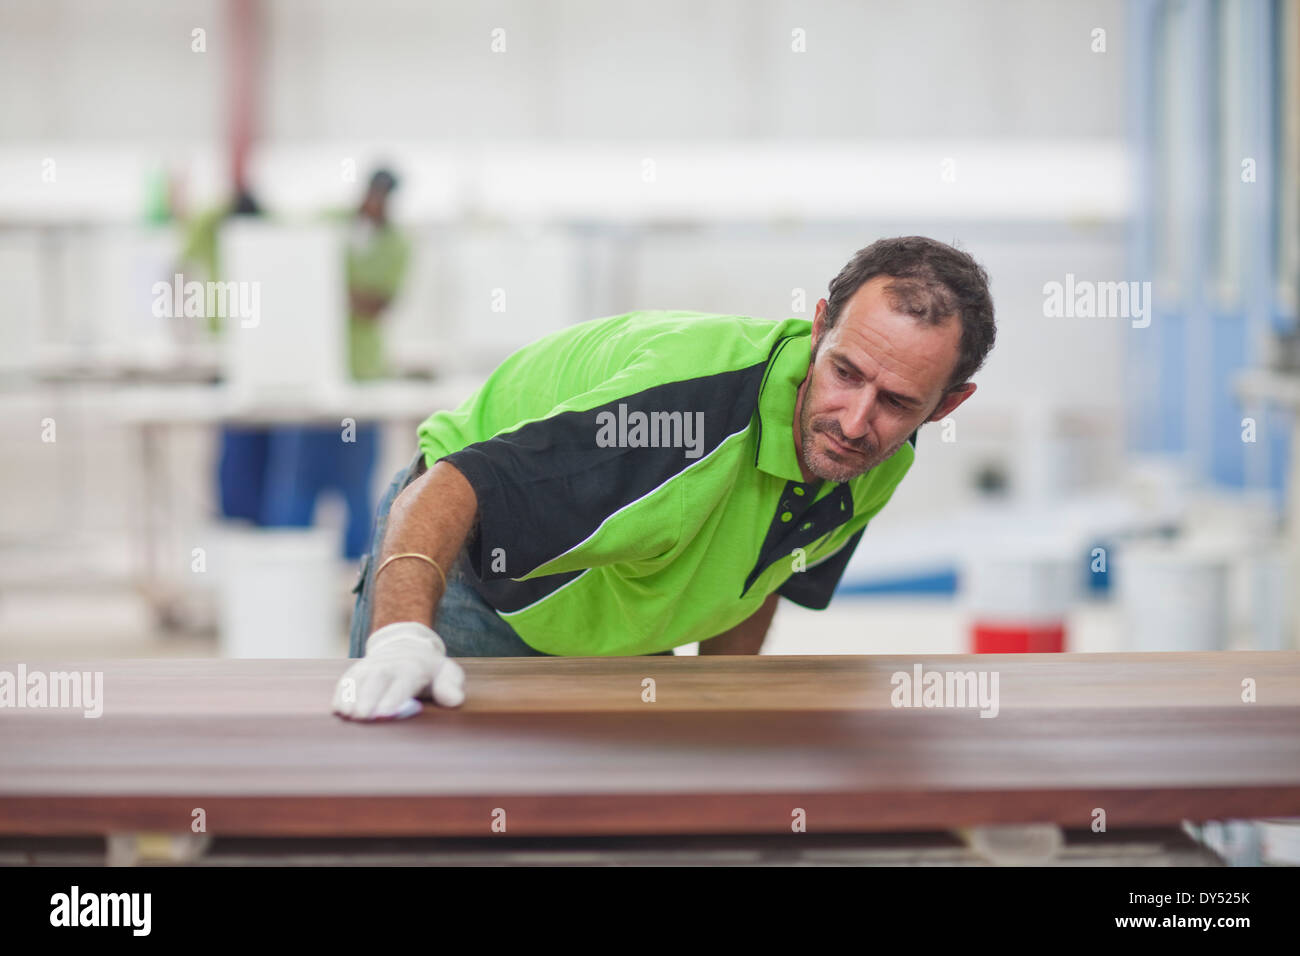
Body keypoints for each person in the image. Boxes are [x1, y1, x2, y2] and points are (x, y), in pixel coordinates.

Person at [332, 236, 995, 721]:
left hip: (612, 619)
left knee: (646, 820)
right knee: (433, 817)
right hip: (466, 575)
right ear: (820, 328)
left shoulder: (873, 463)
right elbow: (449, 489)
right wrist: (399, 637)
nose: (854, 422)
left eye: (897, 402)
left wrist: (721, 714)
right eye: (845, 372)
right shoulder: (682, 415)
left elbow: (760, 577)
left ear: (946, 406)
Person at [259, 169, 411, 560]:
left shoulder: (396, 244)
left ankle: (353, 569)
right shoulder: (328, 224)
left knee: (356, 483)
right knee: (296, 481)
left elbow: (377, 305)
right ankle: (288, 565)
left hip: (361, 379)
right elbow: (292, 265)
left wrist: (327, 289)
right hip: (310, 375)